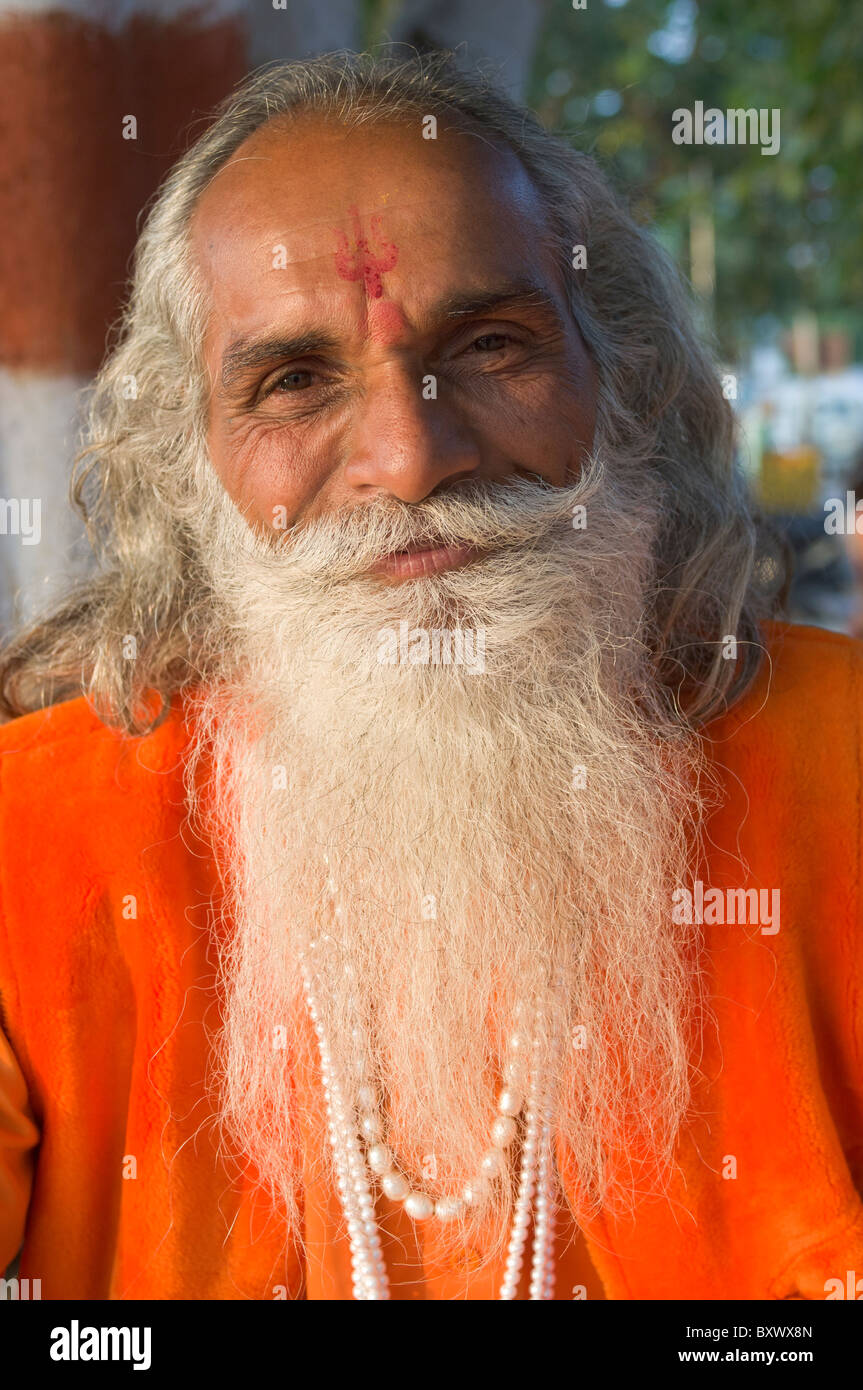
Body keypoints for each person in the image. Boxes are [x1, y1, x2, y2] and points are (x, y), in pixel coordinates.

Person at [0, 51, 860, 1302]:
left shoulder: (837, 763)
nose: (409, 457)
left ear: (614, 378)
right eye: (292, 380)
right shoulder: (30, 838)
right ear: (189, 464)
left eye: (492, 344)